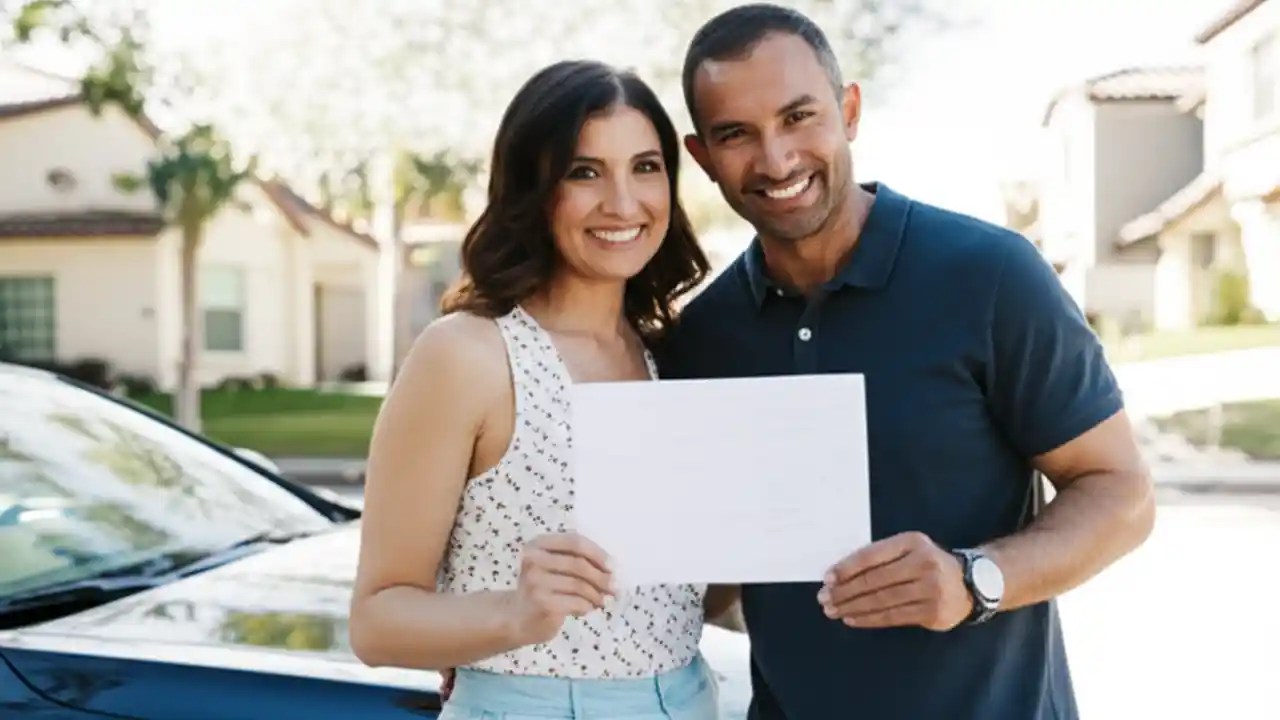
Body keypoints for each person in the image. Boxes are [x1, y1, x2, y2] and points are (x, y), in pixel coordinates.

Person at [657, 4, 1157, 719]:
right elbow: (703, 580)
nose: (775, 159)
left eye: (799, 117)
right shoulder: (704, 338)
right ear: (703, 157)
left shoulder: (989, 277)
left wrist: (975, 578)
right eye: (737, 134)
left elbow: (1122, 494)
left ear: (849, 110)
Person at [349, 59, 733, 719]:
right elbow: (376, 623)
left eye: (645, 167)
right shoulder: (467, 355)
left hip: (691, 700)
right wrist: (513, 614)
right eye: (584, 172)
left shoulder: (673, 357)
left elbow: (681, 598)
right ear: (532, 186)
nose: (623, 202)